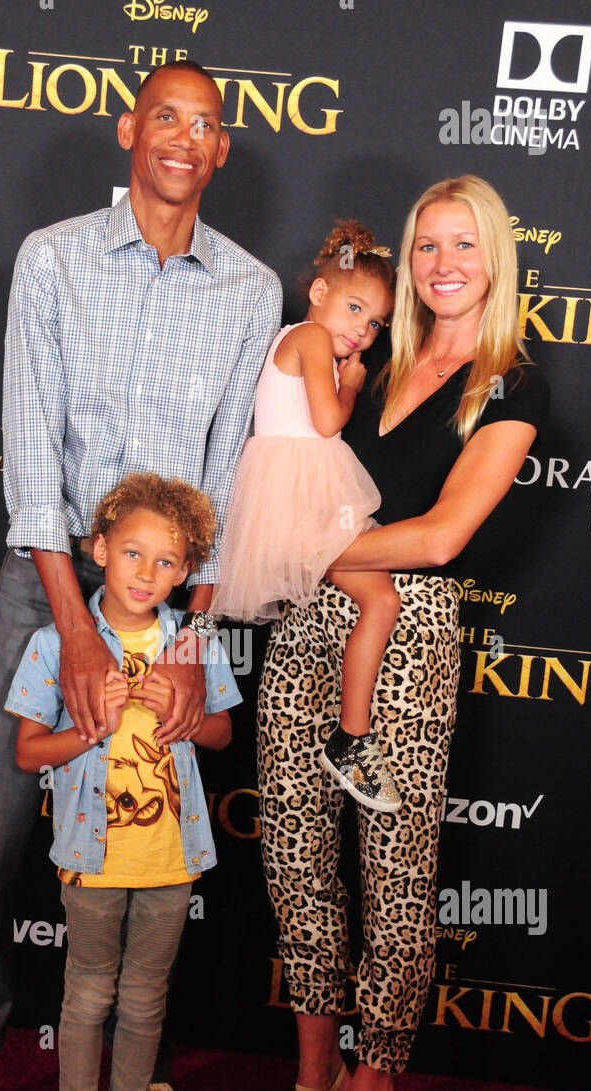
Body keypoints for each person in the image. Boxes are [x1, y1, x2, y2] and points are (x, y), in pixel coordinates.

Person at [0, 60, 281, 1091]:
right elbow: (32, 448)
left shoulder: (250, 290)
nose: (184, 138)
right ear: (128, 130)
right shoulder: (52, 259)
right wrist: (78, 625)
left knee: (154, 848)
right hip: (45, 587)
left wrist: (190, 638)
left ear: (222, 150)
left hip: (172, 613)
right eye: (166, 117)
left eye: (206, 125)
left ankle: (137, 1083)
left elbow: (227, 477)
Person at [255, 175, 549, 1091]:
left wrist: (301, 549)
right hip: (306, 622)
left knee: (393, 873)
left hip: (405, 633)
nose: (442, 264)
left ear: (495, 255)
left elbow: (439, 537)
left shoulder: (510, 383)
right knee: (295, 854)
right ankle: (314, 1078)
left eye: (463, 244)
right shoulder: (369, 358)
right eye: (427, 244)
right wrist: (296, 555)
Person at [6, 475, 241, 1091]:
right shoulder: (56, 644)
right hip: (91, 857)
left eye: (166, 562)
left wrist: (185, 716)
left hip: (172, 859)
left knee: (144, 1000)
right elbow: (27, 753)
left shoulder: (195, 643)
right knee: (87, 997)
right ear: (99, 549)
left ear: (186, 571)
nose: (146, 573)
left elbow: (221, 734)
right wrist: (91, 729)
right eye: (133, 553)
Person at [211, 219, 401, 812]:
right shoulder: (315, 339)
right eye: (354, 308)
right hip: (300, 502)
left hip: (290, 499)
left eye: (376, 323)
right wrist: (353, 385)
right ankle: (351, 738)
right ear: (318, 293)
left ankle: (345, 735)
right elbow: (326, 422)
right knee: (383, 601)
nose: (363, 330)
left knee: (368, 603)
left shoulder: (291, 336)